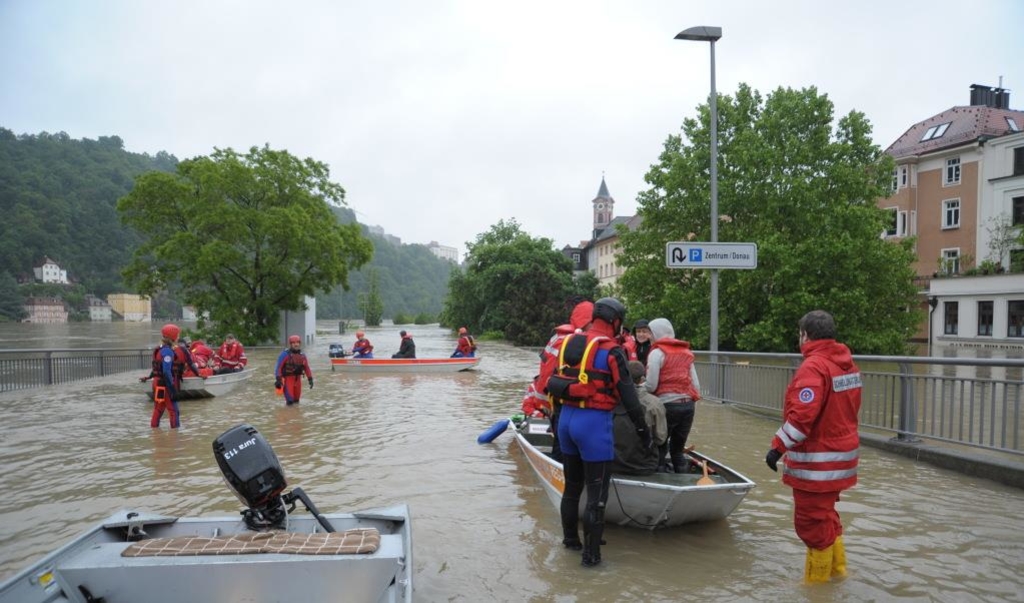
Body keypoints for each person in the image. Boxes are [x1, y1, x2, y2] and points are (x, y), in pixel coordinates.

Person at [545, 297, 651, 567]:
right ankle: (591, 557)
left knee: (571, 489)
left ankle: (570, 541)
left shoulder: (570, 342)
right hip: (593, 425)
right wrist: (642, 429)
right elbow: (628, 396)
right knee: (597, 498)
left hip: (566, 420)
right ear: (616, 321)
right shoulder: (613, 351)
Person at [764, 310, 861, 583]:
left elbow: (802, 419)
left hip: (817, 465)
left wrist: (777, 447)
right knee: (827, 517)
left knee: (811, 525)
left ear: (805, 335)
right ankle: (839, 573)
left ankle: (816, 589)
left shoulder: (813, 367)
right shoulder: (847, 364)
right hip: (841, 461)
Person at [533, 300, 594, 461]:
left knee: (561, 437)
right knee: (562, 441)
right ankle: (560, 470)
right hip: (559, 398)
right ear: (588, 321)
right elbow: (551, 372)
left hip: (553, 396)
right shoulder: (570, 341)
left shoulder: (561, 337)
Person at [645, 318, 701, 474]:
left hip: (668, 407)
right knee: (677, 450)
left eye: (650, 333)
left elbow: (651, 385)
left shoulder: (657, 353)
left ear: (656, 333)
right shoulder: (687, 353)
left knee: (660, 447)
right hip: (688, 407)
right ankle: (682, 480)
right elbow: (696, 386)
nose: (649, 337)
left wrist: (637, 388)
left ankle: (661, 479)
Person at [610, 360, 668, 475]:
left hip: (612, 463)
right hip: (643, 466)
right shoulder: (655, 403)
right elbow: (660, 439)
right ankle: (662, 470)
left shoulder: (609, 400)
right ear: (642, 379)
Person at [140, 323, 188, 429]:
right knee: (173, 411)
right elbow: (166, 371)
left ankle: (154, 432)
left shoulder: (160, 349)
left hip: (157, 383)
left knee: (159, 409)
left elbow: (157, 368)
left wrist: (148, 377)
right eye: (178, 335)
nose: (179, 337)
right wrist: (172, 389)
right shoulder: (168, 352)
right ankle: (175, 437)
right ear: (173, 336)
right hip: (164, 384)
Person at [275, 335, 314, 406]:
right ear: (290, 344)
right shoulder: (285, 354)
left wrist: (310, 379)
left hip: (298, 381)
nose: (296, 344)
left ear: (299, 343)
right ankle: (289, 416)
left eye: (297, 342)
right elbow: (278, 368)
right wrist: (278, 380)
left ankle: (296, 416)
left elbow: (306, 368)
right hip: (288, 380)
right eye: (293, 343)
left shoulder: (302, 356)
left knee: (296, 401)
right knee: (290, 402)